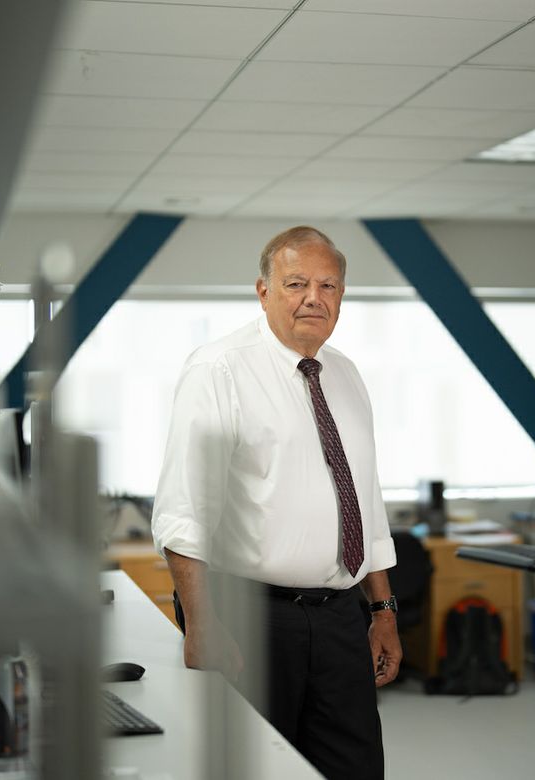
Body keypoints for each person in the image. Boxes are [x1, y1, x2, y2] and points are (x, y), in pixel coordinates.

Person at [151, 226, 400, 779]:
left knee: (356, 768)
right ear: (263, 291)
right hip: (250, 617)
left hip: (339, 618)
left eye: (328, 285)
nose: (314, 297)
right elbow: (183, 512)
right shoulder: (218, 369)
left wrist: (383, 610)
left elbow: (364, 501)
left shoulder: (346, 374)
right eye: (296, 284)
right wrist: (201, 621)